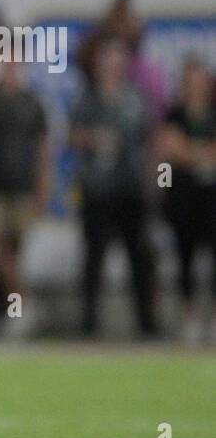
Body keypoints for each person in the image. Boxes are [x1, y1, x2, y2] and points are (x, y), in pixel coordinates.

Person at [69, 35, 157, 338]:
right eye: (105, 60)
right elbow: (71, 136)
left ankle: (147, 324)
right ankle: (89, 325)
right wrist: (94, 139)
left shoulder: (136, 98)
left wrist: (154, 181)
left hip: (130, 187)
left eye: (116, 60)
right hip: (97, 189)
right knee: (93, 258)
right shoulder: (86, 98)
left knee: (140, 258)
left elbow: (150, 141)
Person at [0, 48, 50, 337]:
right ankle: (24, 304)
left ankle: (12, 313)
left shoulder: (33, 104)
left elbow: (42, 151)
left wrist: (43, 187)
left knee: (13, 255)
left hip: (23, 188)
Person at [156, 58, 216, 343]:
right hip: (183, 196)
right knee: (185, 256)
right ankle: (189, 316)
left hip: (211, 197)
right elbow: (169, 149)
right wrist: (200, 153)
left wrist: (188, 151)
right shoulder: (174, 114)